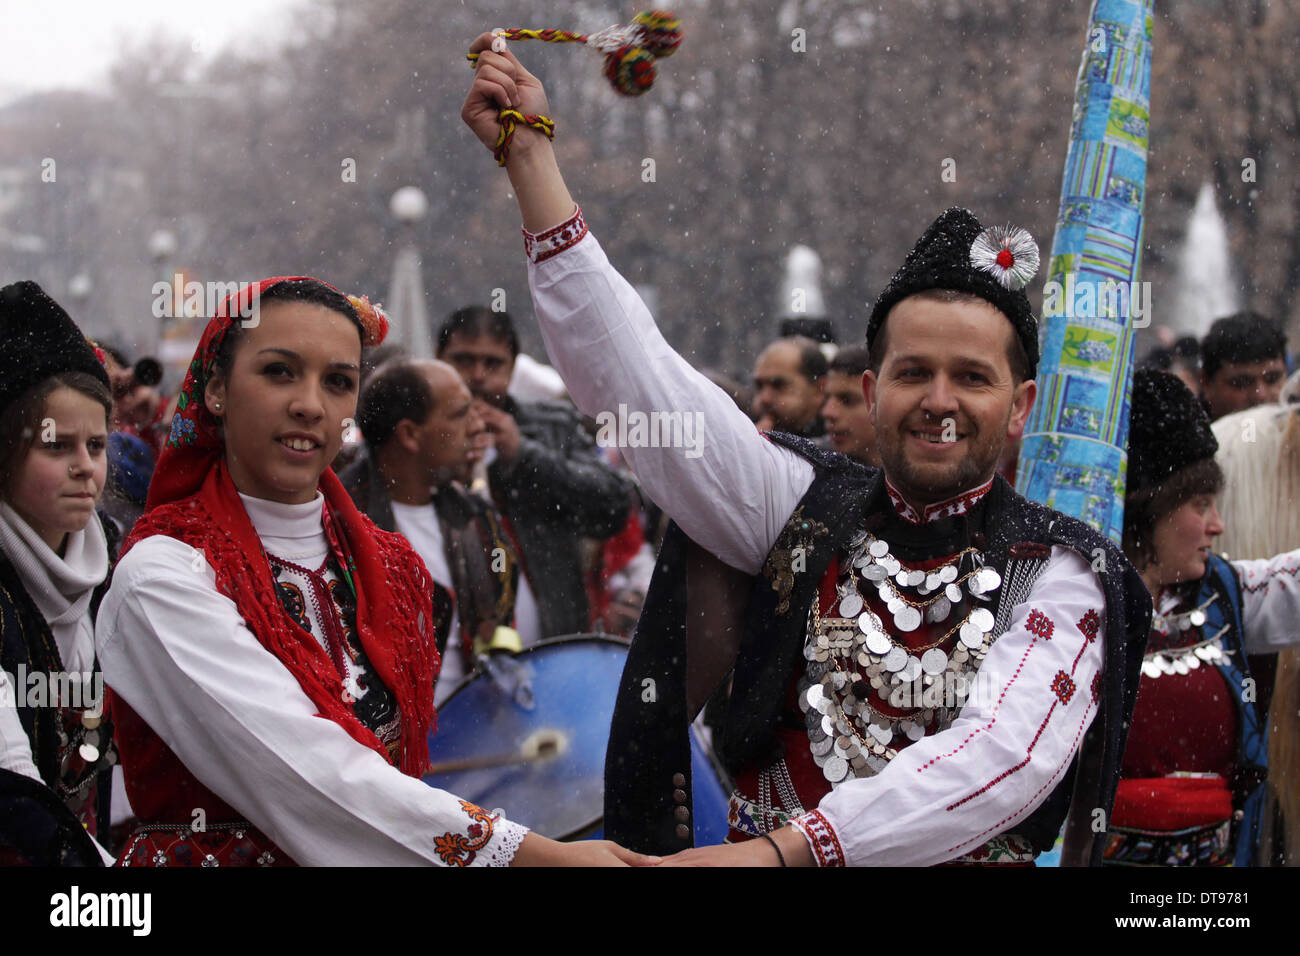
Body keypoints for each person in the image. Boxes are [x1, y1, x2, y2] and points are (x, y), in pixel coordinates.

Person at [461, 38, 1150, 867]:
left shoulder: (1067, 571)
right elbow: (639, 385)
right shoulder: (798, 506)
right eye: (913, 373)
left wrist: (788, 854)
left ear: (1020, 407)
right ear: (869, 392)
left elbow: (1000, 758)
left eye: (971, 377)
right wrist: (532, 160)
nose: (939, 401)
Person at [94, 276, 651, 866]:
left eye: (338, 381)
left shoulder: (390, 566)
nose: (310, 404)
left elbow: (398, 772)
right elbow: (307, 773)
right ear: (216, 391)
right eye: (279, 371)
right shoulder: (163, 574)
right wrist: (534, 856)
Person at [1107, 370, 1300, 866]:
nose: (1219, 524)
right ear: (1152, 507)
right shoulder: (1072, 604)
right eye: (1200, 505)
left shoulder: (1225, 596)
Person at [0, 281, 118, 865]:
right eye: (56, 446)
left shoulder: (125, 568)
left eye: (95, 445)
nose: (85, 468)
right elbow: (14, 783)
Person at [435, 305, 634, 639]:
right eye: (464, 360)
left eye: (492, 363)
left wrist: (523, 455)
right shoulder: (416, 432)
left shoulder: (552, 425)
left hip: (553, 643)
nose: (479, 376)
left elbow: (613, 506)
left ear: (512, 370)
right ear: (439, 362)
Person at [340, 354, 524, 703]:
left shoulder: (476, 518)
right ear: (410, 434)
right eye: (460, 414)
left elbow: (498, 625)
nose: (477, 427)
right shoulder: (337, 521)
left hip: (469, 741)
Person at [1199, 311, 1288, 421]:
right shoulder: (1182, 435)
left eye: (1272, 379)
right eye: (1242, 383)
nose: (1261, 395)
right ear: (1207, 383)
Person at [752, 335, 828, 436]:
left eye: (778, 385)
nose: (765, 398)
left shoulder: (841, 444)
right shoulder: (748, 430)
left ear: (818, 389)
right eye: (759, 386)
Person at [820, 343, 880, 466]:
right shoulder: (811, 470)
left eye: (847, 401)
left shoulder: (924, 476)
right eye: (827, 399)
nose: (827, 412)